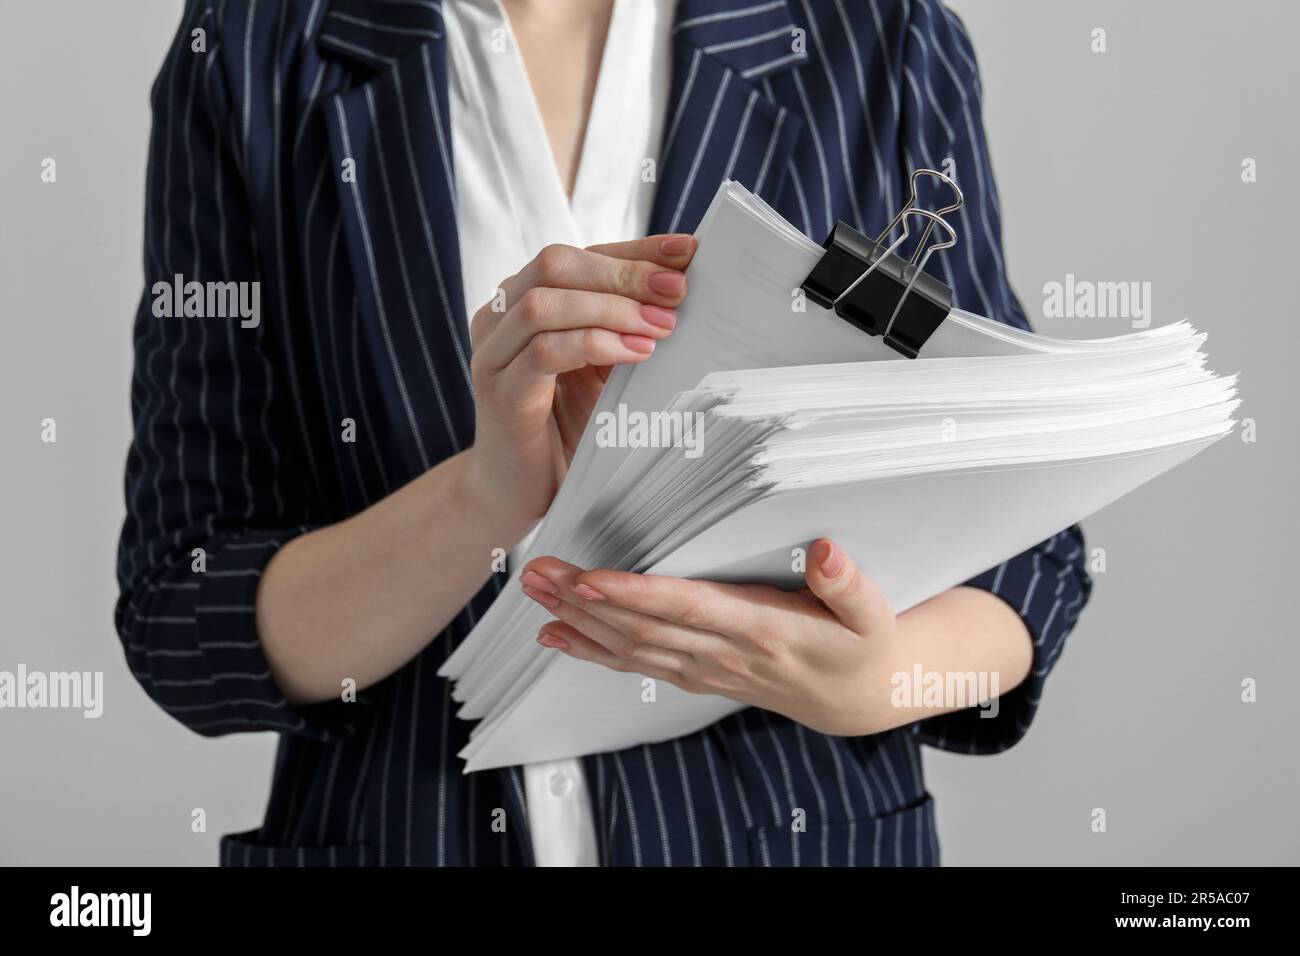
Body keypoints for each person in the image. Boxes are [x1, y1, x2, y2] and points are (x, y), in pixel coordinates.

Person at [116, 0, 1090, 867]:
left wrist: (873, 678)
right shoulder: (252, 45)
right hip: (400, 825)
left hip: (797, 822)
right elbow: (183, 609)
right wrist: (486, 494)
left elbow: (1026, 542)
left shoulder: (876, 35)